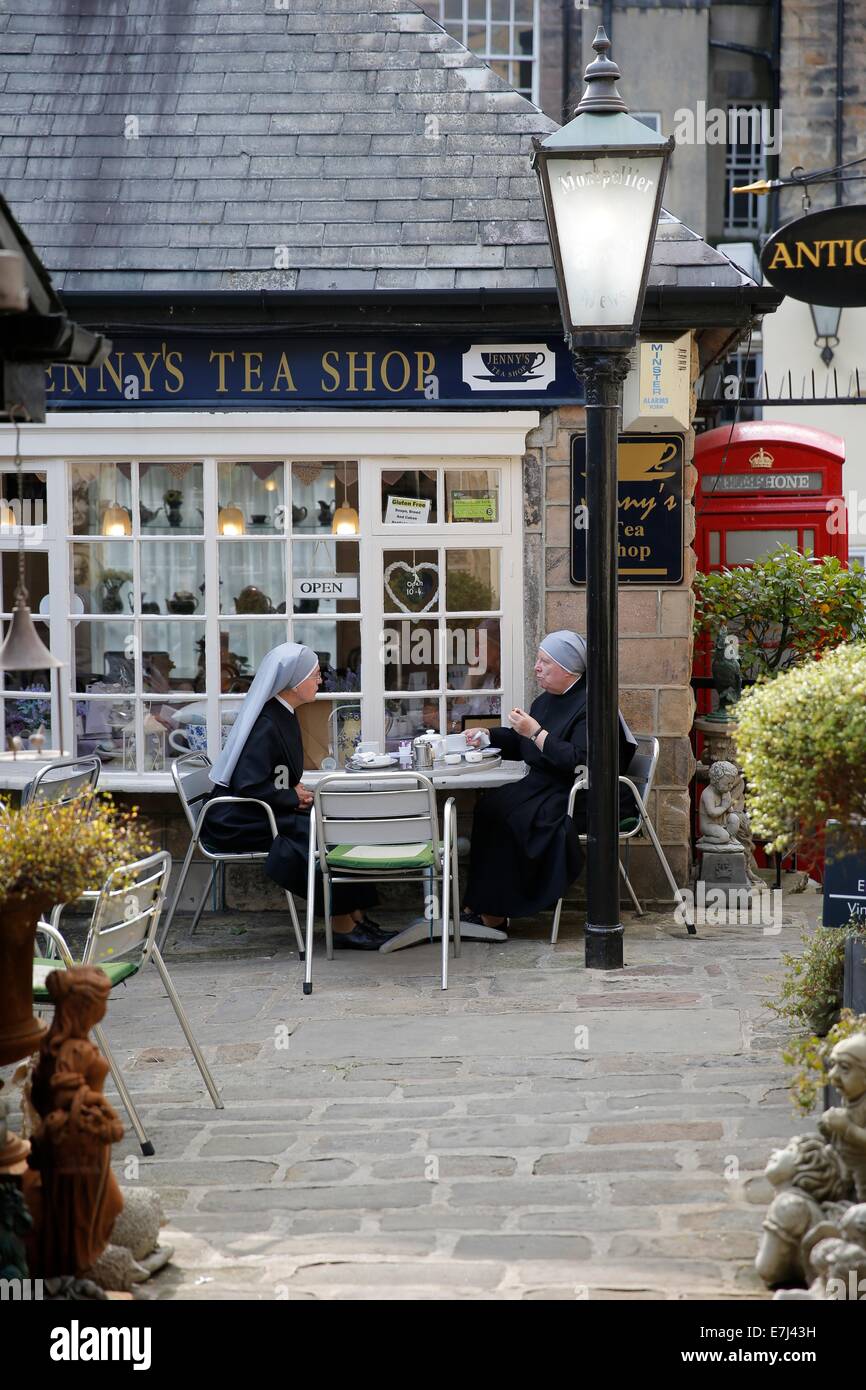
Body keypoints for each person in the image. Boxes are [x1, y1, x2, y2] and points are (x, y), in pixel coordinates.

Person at [204, 642, 390, 950]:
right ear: (293, 681)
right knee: (322, 834)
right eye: (315, 675)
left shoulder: (283, 712)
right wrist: (290, 797)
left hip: (259, 810)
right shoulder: (266, 722)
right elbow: (248, 784)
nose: (320, 681)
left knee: (336, 824)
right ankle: (342, 925)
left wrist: (293, 793)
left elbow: (271, 776)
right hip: (236, 819)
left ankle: (354, 916)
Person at [461, 629, 637, 931]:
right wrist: (488, 736)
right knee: (489, 807)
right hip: (544, 785)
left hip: (579, 793)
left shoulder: (591, 706)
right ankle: (479, 903)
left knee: (511, 818)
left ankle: (497, 913)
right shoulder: (545, 701)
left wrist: (536, 732)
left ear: (568, 670)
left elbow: (580, 761)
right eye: (538, 660)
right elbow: (522, 743)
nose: (536, 668)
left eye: (545, 662)